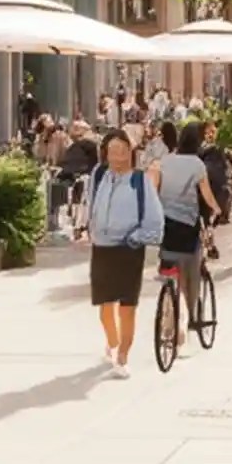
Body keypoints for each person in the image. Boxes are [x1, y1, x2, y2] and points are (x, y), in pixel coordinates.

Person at [84, 130, 164, 379]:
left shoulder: (140, 182)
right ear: (105, 153)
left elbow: (155, 219)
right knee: (105, 306)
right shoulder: (98, 176)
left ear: (131, 152)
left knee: (127, 307)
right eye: (112, 150)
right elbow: (89, 205)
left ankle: (123, 355)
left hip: (129, 249)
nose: (118, 156)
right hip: (102, 248)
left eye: (123, 150)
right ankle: (113, 341)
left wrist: (136, 238)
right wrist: (87, 229)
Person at [154, 122, 221, 350]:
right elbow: (208, 196)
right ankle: (185, 321)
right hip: (187, 227)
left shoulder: (165, 161)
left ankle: (167, 322)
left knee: (170, 273)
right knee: (190, 278)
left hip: (166, 226)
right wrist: (218, 209)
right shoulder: (197, 165)